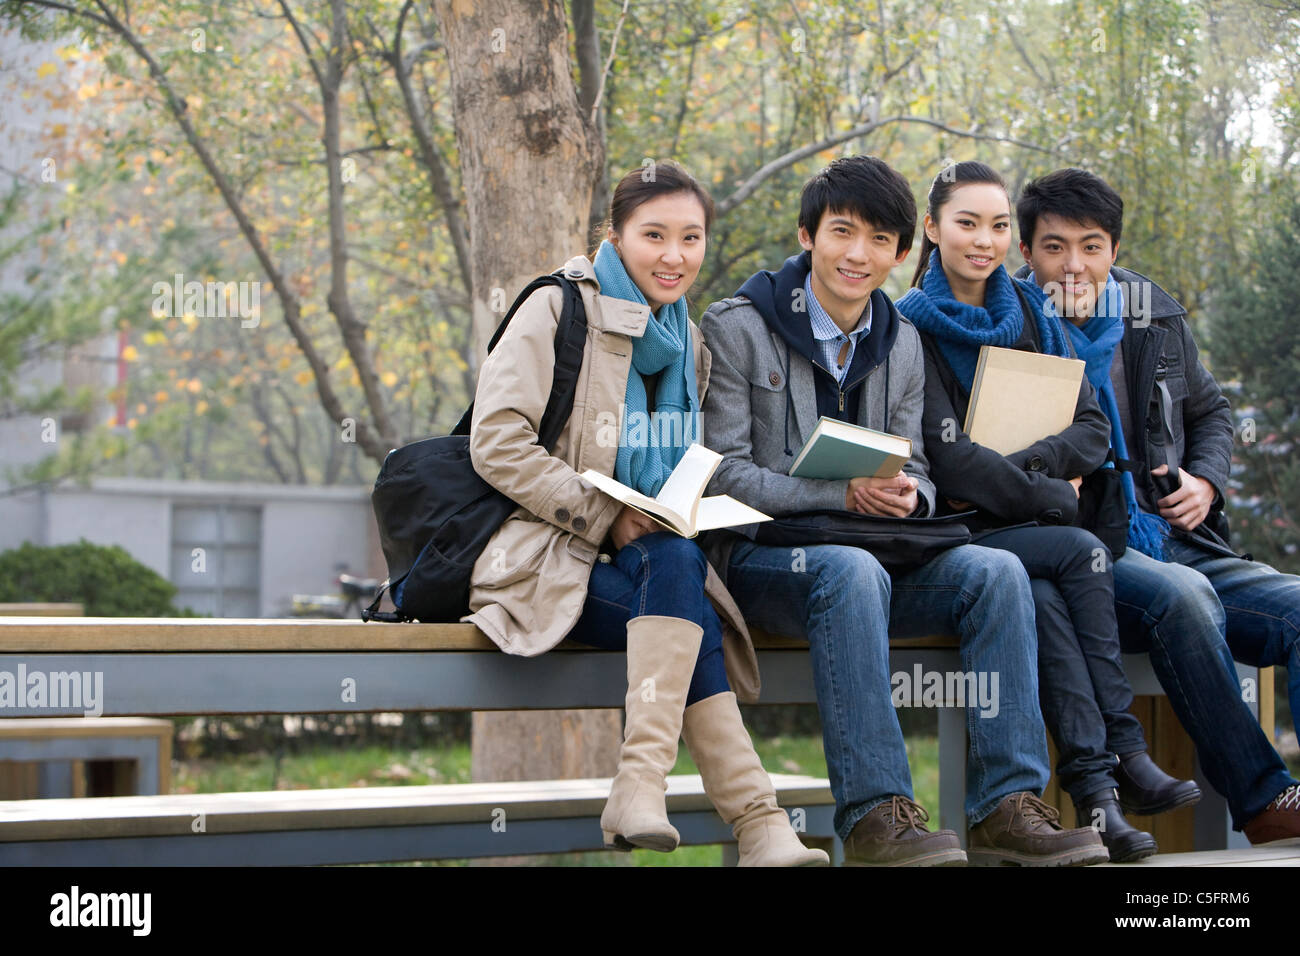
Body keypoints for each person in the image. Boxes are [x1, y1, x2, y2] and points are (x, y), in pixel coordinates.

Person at [701, 154, 1108, 866]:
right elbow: (723, 473)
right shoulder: (738, 327)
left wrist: (906, 493)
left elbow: (918, 469)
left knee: (996, 571)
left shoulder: (904, 342)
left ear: (898, 250)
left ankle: (1006, 806)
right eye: (842, 233)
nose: (859, 255)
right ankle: (874, 815)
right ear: (807, 235)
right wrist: (841, 493)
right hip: (768, 563)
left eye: (879, 240)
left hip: (881, 557)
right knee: (850, 572)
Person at [465, 161, 826, 866]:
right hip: (540, 560)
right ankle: (755, 823)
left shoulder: (686, 342)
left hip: (648, 564)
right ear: (614, 234)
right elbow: (497, 443)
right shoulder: (556, 309)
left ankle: (652, 791)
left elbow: (674, 470)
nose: (674, 255)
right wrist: (603, 516)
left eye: (690, 238)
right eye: (653, 235)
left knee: (678, 563)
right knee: (683, 604)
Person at [896, 161, 1198, 862]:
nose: (984, 240)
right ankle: (1122, 753)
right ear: (933, 229)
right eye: (966, 223)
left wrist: (1029, 468)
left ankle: (1098, 804)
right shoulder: (909, 327)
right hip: (961, 534)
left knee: (1046, 593)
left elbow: (1091, 427)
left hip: (1025, 532)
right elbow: (948, 458)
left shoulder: (1029, 311)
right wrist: (1053, 489)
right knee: (1079, 552)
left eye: (998, 225)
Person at [1014, 167, 1300, 844]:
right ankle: (1263, 799)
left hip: (1179, 536)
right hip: (1089, 556)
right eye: (1054, 247)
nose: (1074, 265)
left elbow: (1213, 411)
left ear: (1114, 248)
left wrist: (1207, 479)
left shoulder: (1155, 313)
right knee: (1186, 598)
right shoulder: (1009, 323)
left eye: (1091, 246)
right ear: (1026, 252)